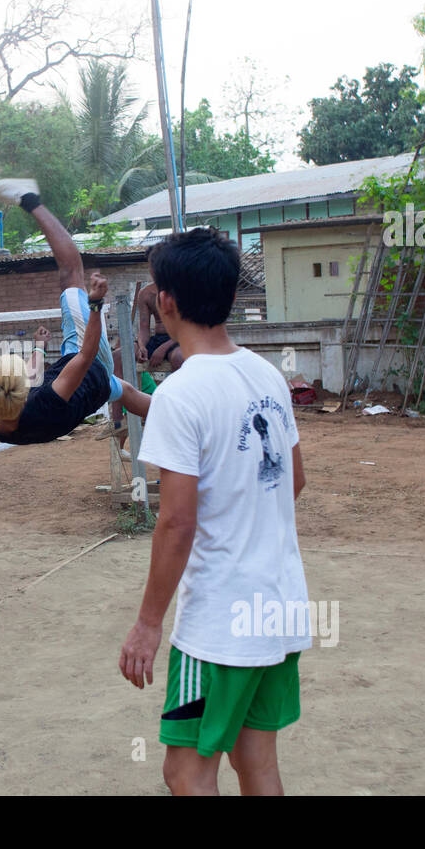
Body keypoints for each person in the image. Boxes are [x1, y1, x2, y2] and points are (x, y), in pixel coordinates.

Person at [118, 226, 309, 797]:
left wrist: (149, 624)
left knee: (186, 771)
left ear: (167, 301)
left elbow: (177, 521)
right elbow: (292, 480)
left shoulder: (182, 391)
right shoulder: (266, 374)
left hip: (220, 627)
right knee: (257, 762)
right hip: (278, 605)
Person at [0, 179, 150, 444]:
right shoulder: (44, 402)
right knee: (71, 275)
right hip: (89, 364)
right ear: (22, 397)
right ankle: (29, 198)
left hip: (92, 391)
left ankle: (185, 419)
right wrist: (95, 304)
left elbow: (33, 380)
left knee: (127, 392)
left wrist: (39, 348)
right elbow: (86, 355)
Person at [136, 281, 184, 372]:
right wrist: (142, 347)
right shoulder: (145, 293)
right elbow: (143, 328)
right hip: (157, 339)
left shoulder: (182, 289)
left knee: (179, 358)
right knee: (121, 355)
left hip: (178, 339)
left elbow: (187, 328)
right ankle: (121, 386)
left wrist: (163, 348)